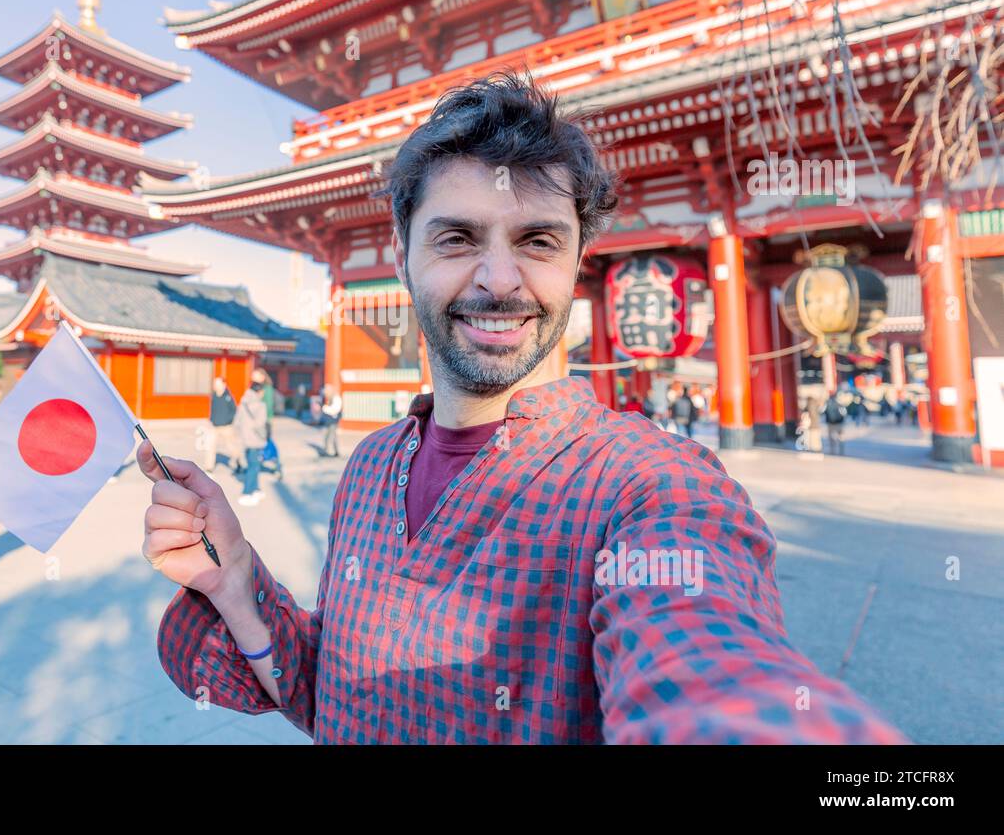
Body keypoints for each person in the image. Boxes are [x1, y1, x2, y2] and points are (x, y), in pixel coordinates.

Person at [136, 73, 903, 744]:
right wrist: (234, 575)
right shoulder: (370, 467)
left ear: (576, 262)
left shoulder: (644, 485)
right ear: (403, 255)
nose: (500, 279)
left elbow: (703, 664)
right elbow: (332, 702)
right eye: (459, 237)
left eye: (537, 240)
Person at [233, 369, 269, 506]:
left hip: (246, 439)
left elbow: (237, 421)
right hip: (256, 440)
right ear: (260, 391)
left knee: (251, 464)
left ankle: (255, 489)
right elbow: (260, 426)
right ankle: (247, 492)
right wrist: (264, 437)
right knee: (254, 467)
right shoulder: (261, 405)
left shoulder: (243, 401)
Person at [204, 377, 243, 473]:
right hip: (214, 426)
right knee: (210, 446)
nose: (215, 386)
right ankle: (209, 467)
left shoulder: (228, 396)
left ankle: (238, 461)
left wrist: (228, 420)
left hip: (226, 427)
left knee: (231, 447)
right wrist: (211, 420)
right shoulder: (213, 396)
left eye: (217, 384)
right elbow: (212, 409)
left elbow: (234, 410)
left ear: (223, 385)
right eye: (214, 384)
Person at [318, 385, 342, 458]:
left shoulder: (336, 398)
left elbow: (334, 410)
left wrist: (324, 407)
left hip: (333, 420)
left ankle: (328, 451)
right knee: (331, 436)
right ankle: (335, 451)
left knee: (330, 436)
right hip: (329, 420)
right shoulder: (330, 398)